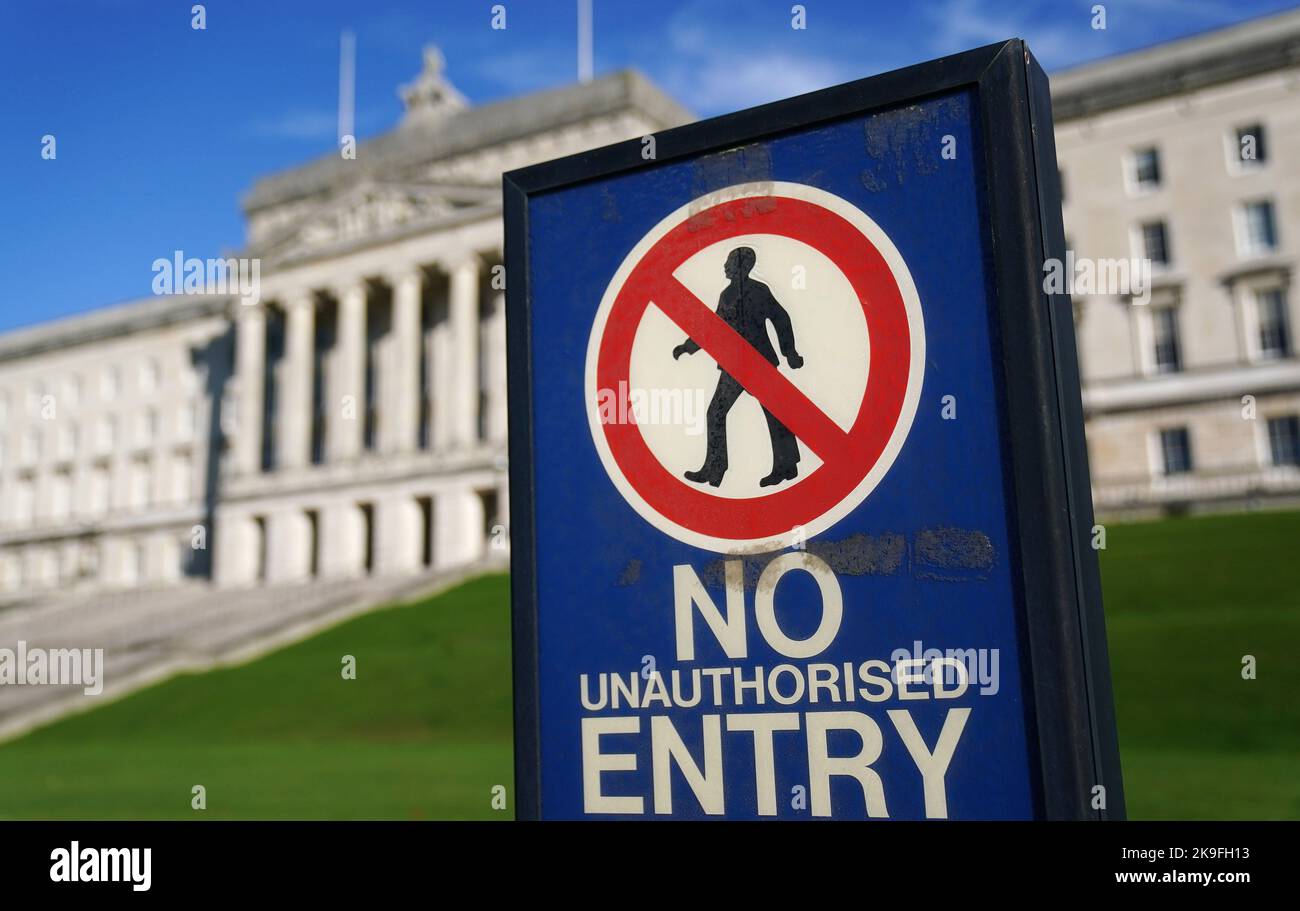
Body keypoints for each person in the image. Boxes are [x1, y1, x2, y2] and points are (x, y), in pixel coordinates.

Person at [672, 246, 803, 488]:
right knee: (715, 412)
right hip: (734, 366)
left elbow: (780, 318)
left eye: (730, 261)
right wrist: (687, 347)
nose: (725, 265)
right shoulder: (726, 295)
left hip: (760, 364)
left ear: (742, 266)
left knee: (776, 415)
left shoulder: (759, 291)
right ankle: (714, 469)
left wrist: (790, 352)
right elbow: (712, 328)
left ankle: (786, 467)